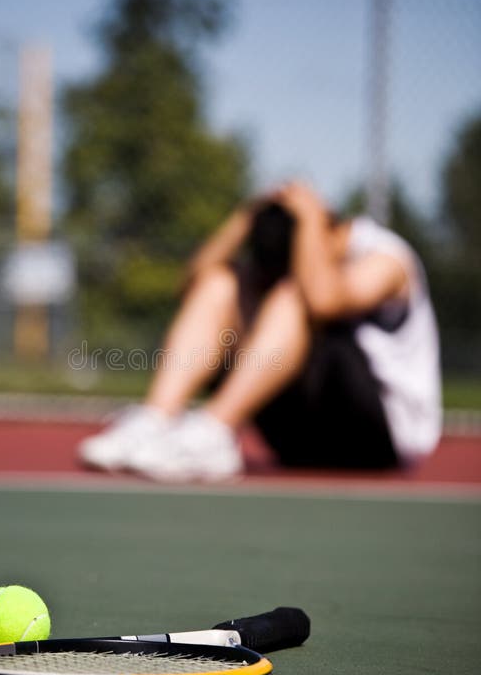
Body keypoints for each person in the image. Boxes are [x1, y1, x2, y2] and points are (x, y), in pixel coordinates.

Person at [78, 182, 442, 481]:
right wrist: (244, 218)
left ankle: (212, 433)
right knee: (220, 283)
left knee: (294, 294)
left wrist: (310, 218)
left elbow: (323, 301)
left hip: (377, 437)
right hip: (302, 437)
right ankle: (155, 421)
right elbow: (193, 284)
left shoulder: (386, 257)